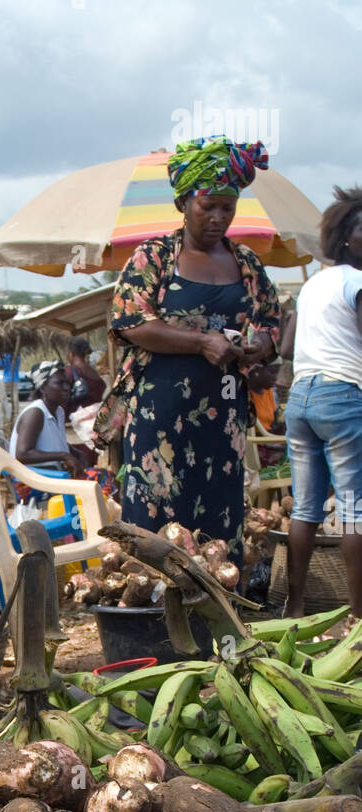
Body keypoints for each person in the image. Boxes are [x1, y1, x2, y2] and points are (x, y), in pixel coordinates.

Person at [95, 136, 280, 564]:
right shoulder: (154, 257)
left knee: (221, 504)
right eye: (207, 205)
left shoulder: (248, 263)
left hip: (226, 408)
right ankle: (154, 608)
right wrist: (202, 343)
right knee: (157, 507)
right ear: (183, 202)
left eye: (227, 208)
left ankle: (214, 608)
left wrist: (257, 347)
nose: (218, 217)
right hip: (161, 411)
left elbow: (269, 320)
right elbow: (131, 322)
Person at [285, 186, 362, 619]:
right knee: (355, 509)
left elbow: (284, 347)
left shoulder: (314, 284)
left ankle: (294, 607)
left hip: (301, 397)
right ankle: (358, 617)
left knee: (305, 507)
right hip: (342, 395)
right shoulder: (358, 282)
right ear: (347, 238)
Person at [66, 336, 105, 407]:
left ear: (71, 353)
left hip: (76, 416)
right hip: (97, 414)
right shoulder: (94, 372)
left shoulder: (69, 371)